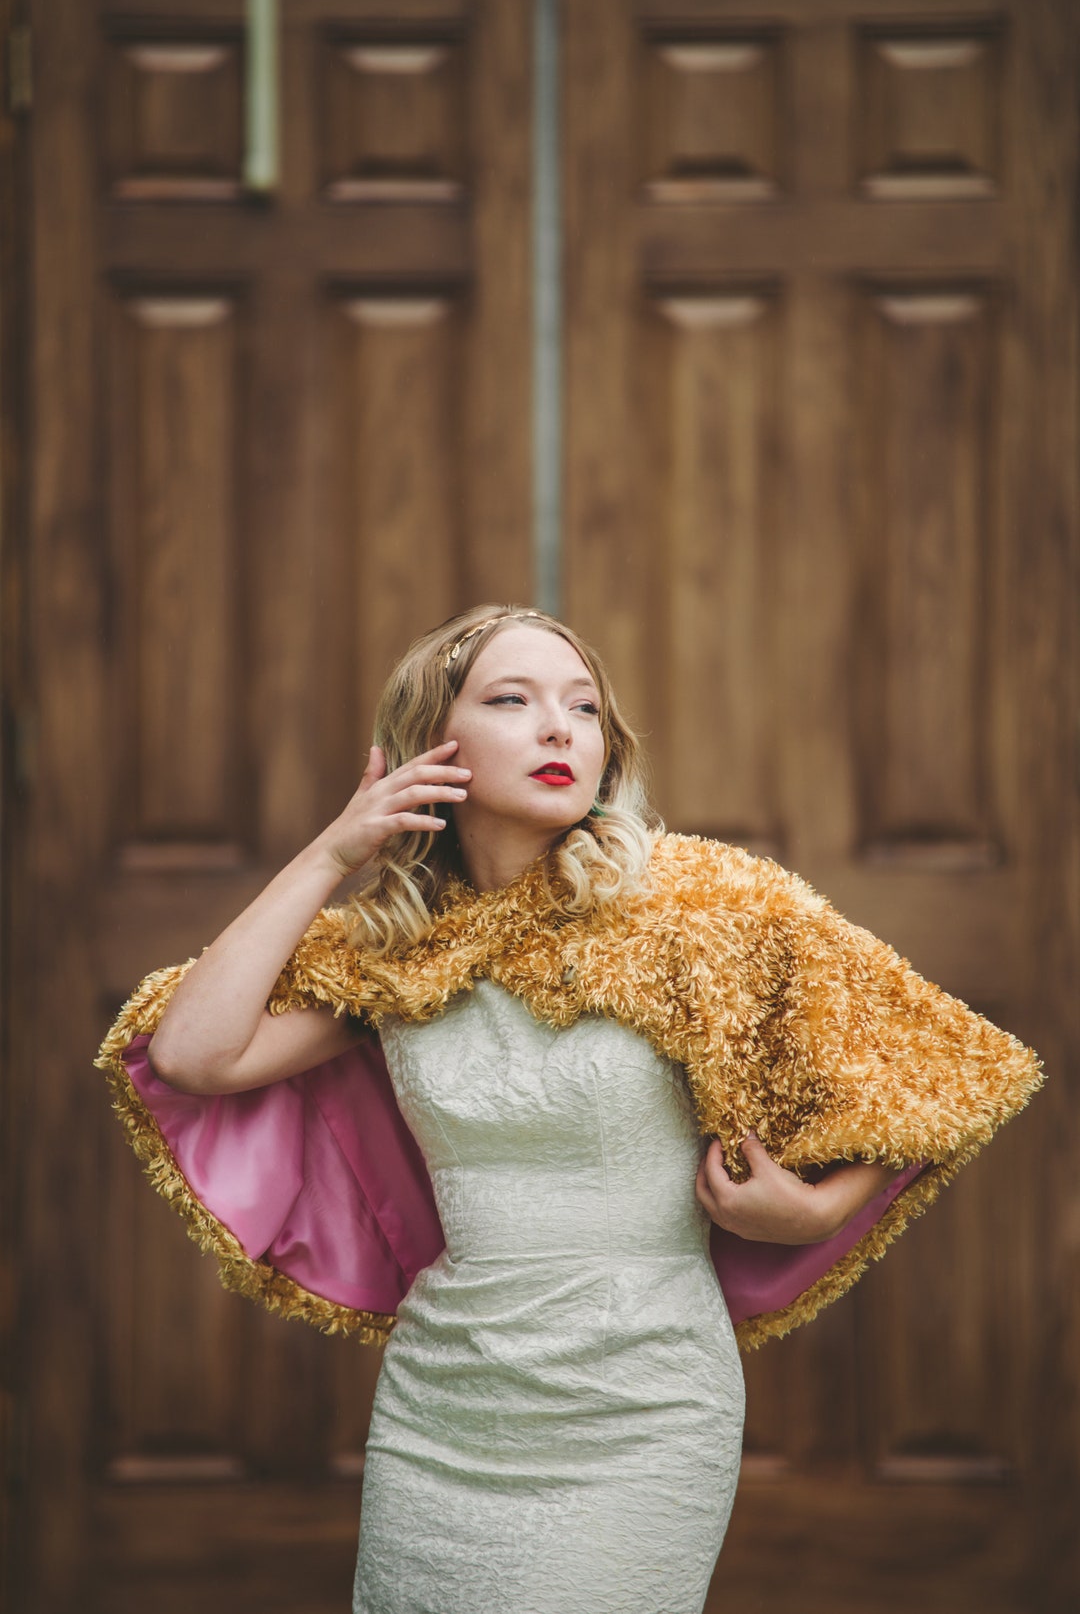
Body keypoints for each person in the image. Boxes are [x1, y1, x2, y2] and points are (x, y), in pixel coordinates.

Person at [98, 604, 1042, 1614]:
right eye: (513, 699)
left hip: (643, 1398)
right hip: (444, 1403)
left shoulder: (703, 905)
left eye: (583, 707)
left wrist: (814, 1211)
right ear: (432, 747)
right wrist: (334, 853)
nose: (560, 728)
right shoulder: (402, 952)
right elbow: (196, 1055)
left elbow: (942, 1066)